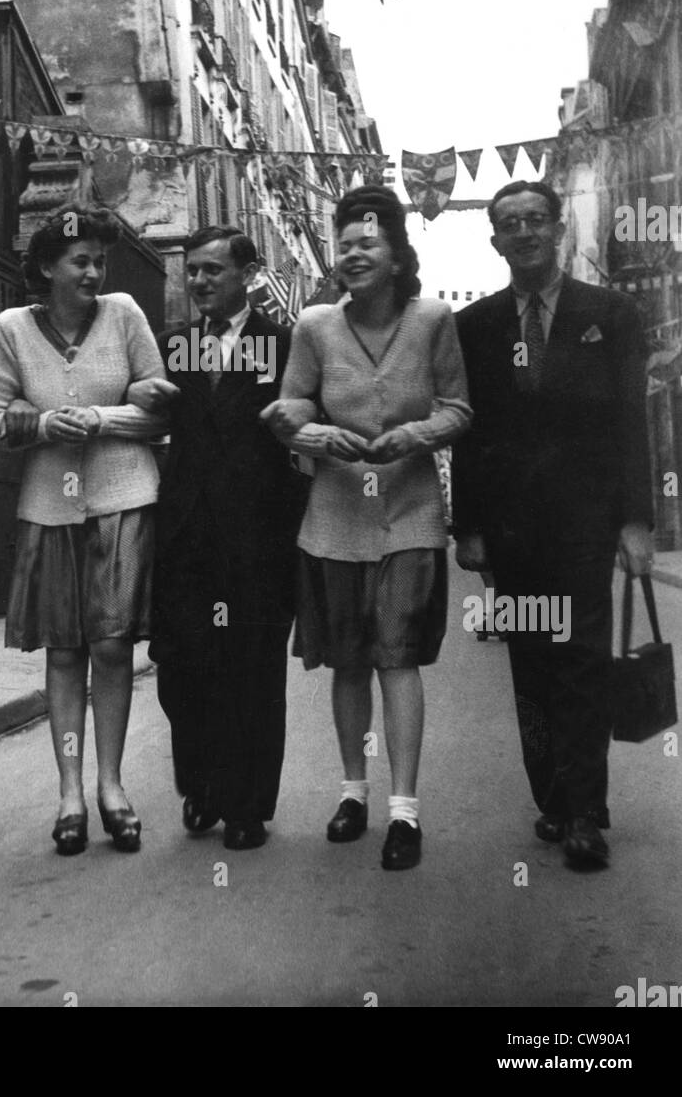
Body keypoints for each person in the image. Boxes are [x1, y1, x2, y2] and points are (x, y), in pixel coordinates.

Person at [262, 187, 471, 870]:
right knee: (349, 659)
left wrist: (414, 435)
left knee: (397, 655)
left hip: (409, 512)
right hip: (334, 516)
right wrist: (315, 432)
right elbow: (290, 406)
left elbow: (458, 408)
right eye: (344, 244)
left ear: (397, 257)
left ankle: (403, 810)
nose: (352, 254)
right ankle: (353, 792)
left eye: (367, 243)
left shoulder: (433, 319)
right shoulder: (315, 325)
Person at [452, 180, 653, 870]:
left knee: (580, 662)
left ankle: (585, 812)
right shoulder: (476, 326)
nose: (525, 232)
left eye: (536, 219)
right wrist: (469, 527)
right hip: (512, 532)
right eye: (510, 224)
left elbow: (631, 421)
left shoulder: (611, 314)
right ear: (495, 241)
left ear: (558, 229)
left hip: (584, 526)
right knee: (531, 666)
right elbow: (469, 433)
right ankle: (553, 797)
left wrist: (635, 521)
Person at [0, 204, 167, 857]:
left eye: (98, 261)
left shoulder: (124, 315)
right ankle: (70, 796)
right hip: (49, 507)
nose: (93, 272)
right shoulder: (12, 328)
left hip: (123, 497)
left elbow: (159, 409)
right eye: (79, 261)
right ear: (46, 267)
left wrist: (97, 418)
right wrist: (40, 425)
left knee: (112, 647)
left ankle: (111, 786)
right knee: (64, 651)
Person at [136, 226, 307, 851]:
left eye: (213, 269)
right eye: (193, 270)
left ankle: (246, 805)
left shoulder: (282, 345)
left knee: (252, 670)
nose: (200, 280)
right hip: (186, 536)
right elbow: (152, 416)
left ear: (247, 274)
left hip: (258, 537)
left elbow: (302, 424)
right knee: (183, 667)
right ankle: (201, 782)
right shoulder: (174, 346)